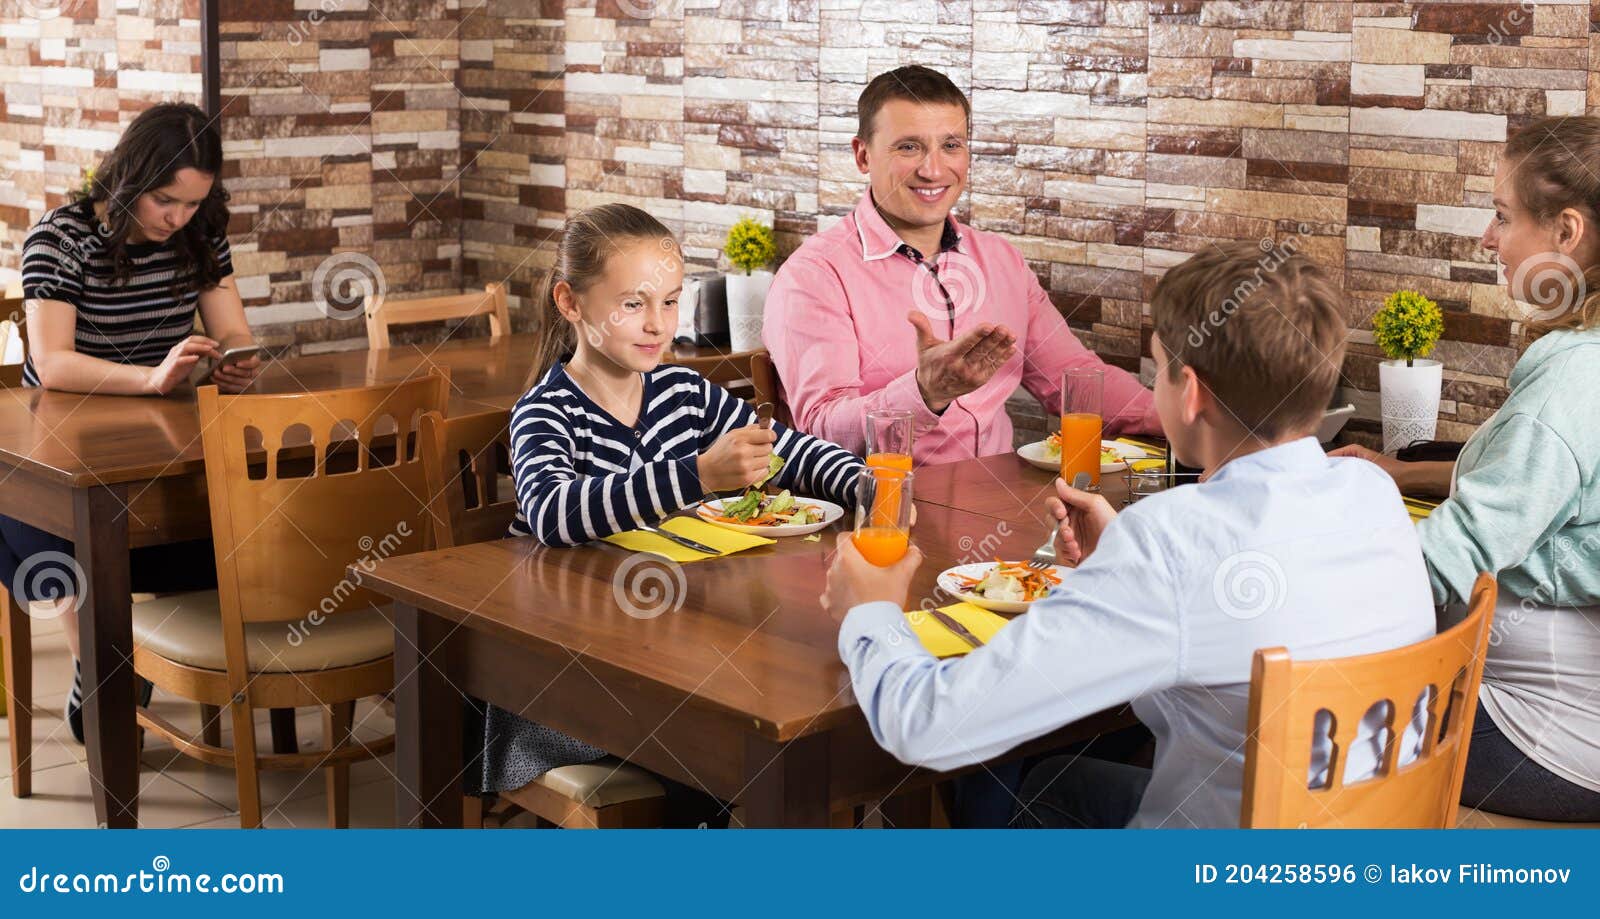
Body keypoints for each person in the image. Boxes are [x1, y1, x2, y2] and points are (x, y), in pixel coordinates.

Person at [821, 243, 1436, 828]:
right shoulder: (1372, 494)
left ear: (1190, 392)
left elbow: (932, 728)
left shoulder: (1171, 540)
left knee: (1023, 789)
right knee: (1054, 780)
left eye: (1160, 370)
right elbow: (1214, 659)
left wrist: (870, 610)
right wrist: (1117, 567)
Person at [480, 203, 864, 825]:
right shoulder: (546, 411)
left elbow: (789, 450)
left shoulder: (684, 395)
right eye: (632, 304)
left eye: (669, 301)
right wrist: (695, 475)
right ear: (571, 303)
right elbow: (553, 512)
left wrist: (866, 486)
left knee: (773, 708)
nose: (657, 324)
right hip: (564, 686)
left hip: (666, 657)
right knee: (716, 738)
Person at [1332, 115, 1600, 822]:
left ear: (1567, 233)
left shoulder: (1571, 387)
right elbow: (1549, 491)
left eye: (1503, 215)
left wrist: (1291, 581)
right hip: (1551, 713)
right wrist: (1403, 472)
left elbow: (1450, 557)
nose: (1488, 237)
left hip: (1545, 733)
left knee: (1269, 714)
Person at [5, 102, 260, 741]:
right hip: (62, 441)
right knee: (58, 535)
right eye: (167, 202)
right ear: (127, 179)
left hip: (161, 438)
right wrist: (150, 379)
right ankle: (101, 669)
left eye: (193, 205)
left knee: (232, 516)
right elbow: (52, 361)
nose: (179, 220)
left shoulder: (200, 234)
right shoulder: (60, 240)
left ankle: (152, 655)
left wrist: (231, 361)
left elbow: (232, 328)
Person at [763, 65, 1159, 465]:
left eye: (951, 145)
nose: (933, 170)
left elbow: (1073, 377)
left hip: (1004, 503)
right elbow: (819, 431)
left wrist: (1191, 418)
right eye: (908, 147)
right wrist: (924, 391)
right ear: (862, 155)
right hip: (881, 512)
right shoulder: (814, 275)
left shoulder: (1001, 259)